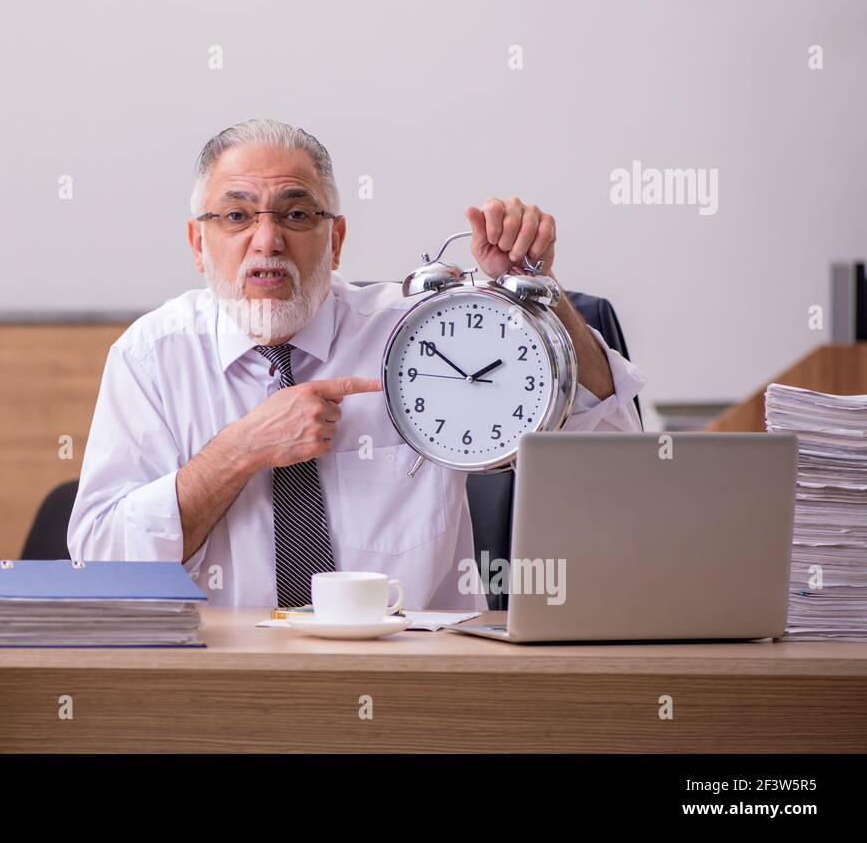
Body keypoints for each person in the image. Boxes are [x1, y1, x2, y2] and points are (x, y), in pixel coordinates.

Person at [67, 119, 646, 609]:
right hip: (225, 692)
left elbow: (616, 458)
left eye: (296, 215)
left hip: (415, 694)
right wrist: (239, 451)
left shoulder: (424, 333)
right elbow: (101, 561)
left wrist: (540, 290)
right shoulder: (151, 358)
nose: (267, 241)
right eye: (238, 217)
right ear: (198, 244)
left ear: (336, 238)